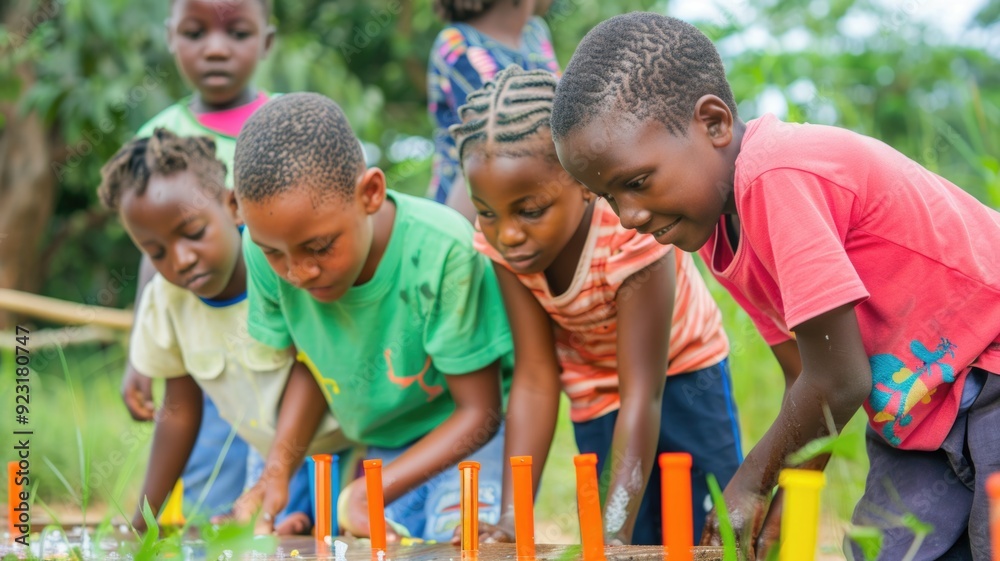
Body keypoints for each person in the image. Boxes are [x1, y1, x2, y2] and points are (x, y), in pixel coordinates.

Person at [550, 12, 1000, 560]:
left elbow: (840, 380)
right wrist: (788, 489)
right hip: (922, 408)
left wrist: (752, 482)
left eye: (637, 183)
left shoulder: (774, 177)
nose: (628, 216)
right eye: (609, 199)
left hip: (988, 366)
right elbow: (804, 376)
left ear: (713, 123)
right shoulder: (719, 234)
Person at [450, 66, 741, 545]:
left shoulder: (630, 235)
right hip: (594, 394)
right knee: (626, 534)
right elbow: (536, 378)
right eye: (487, 212)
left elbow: (643, 393)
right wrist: (510, 518)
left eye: (530, 210)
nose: (508, 234)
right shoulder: (501, 246)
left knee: (703, 537)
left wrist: (611, 532)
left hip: (685, 378)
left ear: (583, 180)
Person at [232, 92, 514, 542]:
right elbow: (313, 367)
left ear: (370, 193)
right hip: (381, 447)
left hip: (465, 442)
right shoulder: (263, 250)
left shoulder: (443, 253)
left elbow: (480, 413)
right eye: (274, 253)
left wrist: (371, 492)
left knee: (461, 541)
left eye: (320, 248)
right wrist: (277, 471)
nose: (298, 273)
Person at [98, 128, 348, 534]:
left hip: (346, 450)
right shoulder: (166, 303)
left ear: (232, 206)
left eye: (194, 233)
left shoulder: (284, 268)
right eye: (155, 252)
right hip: (268, 461)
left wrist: (278, 473)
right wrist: (143, 519)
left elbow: (317, 369)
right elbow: (179, 412)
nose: (180, 259)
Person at [119, 0, 278, 520]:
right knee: (212, 478)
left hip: (272, 335)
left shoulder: (283, 126)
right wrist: (141, 355)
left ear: (267, 41)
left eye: (236, 32)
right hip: (202, 346)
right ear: (169, 37)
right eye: (194, 32)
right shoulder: (156, 137)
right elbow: (154, 259)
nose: (214, 48)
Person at [427, 0, 560, 220]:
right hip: (472, 203)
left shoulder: (535, 32)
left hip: (534, 185)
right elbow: (492, 139)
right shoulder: (458, 43)